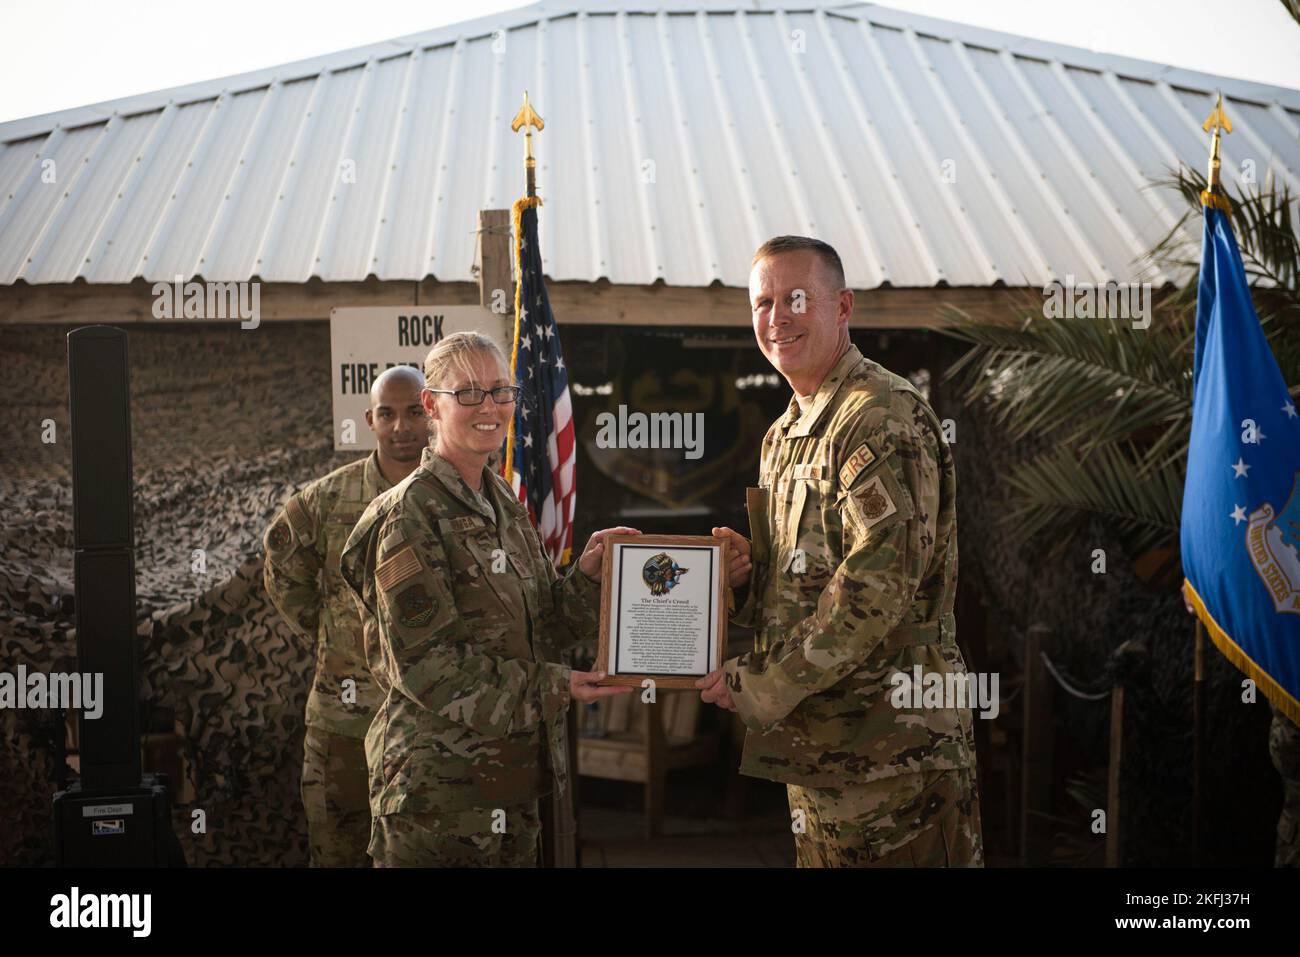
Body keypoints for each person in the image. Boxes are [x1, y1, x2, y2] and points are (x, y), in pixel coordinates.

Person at [697, 235, 983, 867]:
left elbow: (877, 587)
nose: (777, 318)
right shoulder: (787, 432)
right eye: (762, 303)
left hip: (892, 756)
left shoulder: (879, 415)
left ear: (843, 305)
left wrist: (764, 685)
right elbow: (804, 577)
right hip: (820, 748)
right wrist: (746, 573)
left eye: (796, 298)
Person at [341, 331, 635, 867]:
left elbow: (543, 623)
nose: (491, 407)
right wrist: (559, 685)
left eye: (502, 392)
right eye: (469, 393)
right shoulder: (410, 515)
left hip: (512, 783)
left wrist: (590, 575)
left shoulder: (498, 498)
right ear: (432, 403)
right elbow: (429, 668)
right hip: (439, 797)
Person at [263, 364, 428, 866]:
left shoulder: (454, 495)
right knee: (338, 853)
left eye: (415, 412)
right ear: (370, 420)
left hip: (428, 727)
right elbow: (281, 569)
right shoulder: (327, 499)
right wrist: (329, 631)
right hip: (344, 722)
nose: (402, 426)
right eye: (388, 414)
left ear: (434, 414)